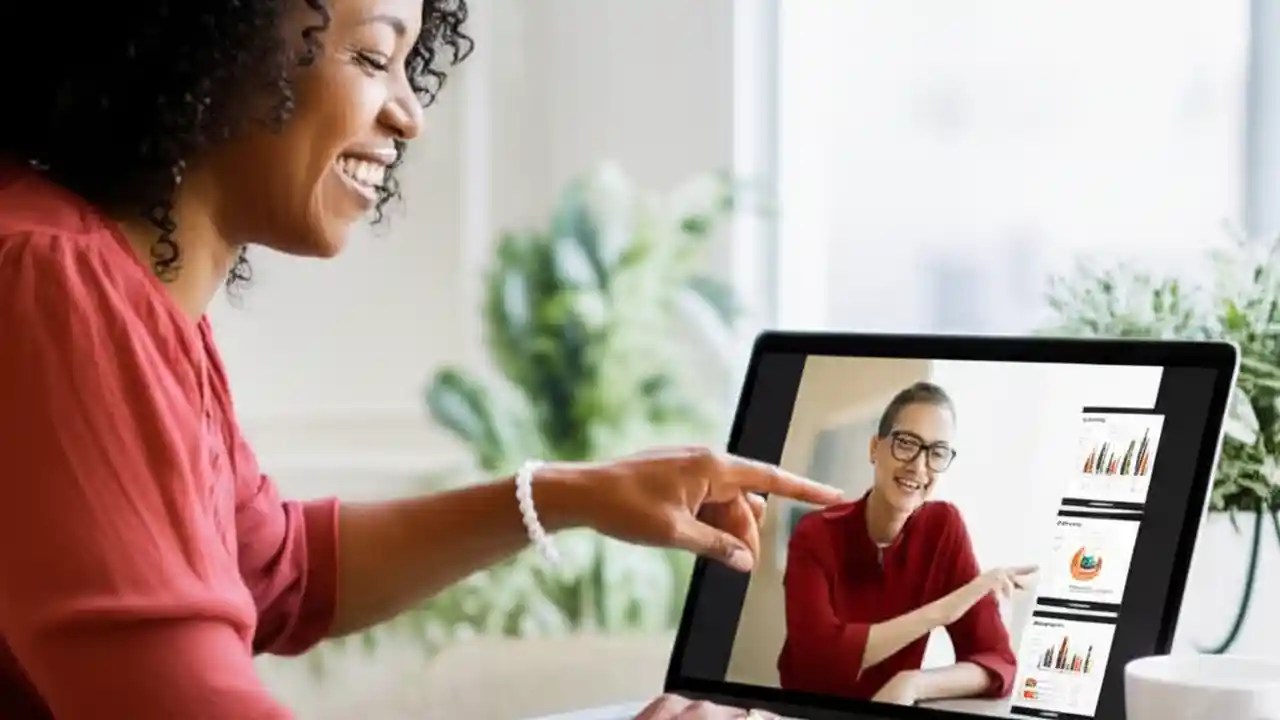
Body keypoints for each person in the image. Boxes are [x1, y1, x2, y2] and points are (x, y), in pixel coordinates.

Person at [0, 3, 836, 719]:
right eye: (370, 56)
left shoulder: (125, 297)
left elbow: (284, 569)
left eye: (410, 65)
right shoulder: (52, 283)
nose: (409, 113)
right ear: (203, 43)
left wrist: (573, 492)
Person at [777, 382, 1038, 705]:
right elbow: (817, 659)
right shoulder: (815, 533)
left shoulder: (943, 527)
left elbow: (999, 662)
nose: (919, 465)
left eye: (937, 452)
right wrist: (942, 611)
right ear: (875, 448)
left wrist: (914, 684)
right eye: (906, 443)